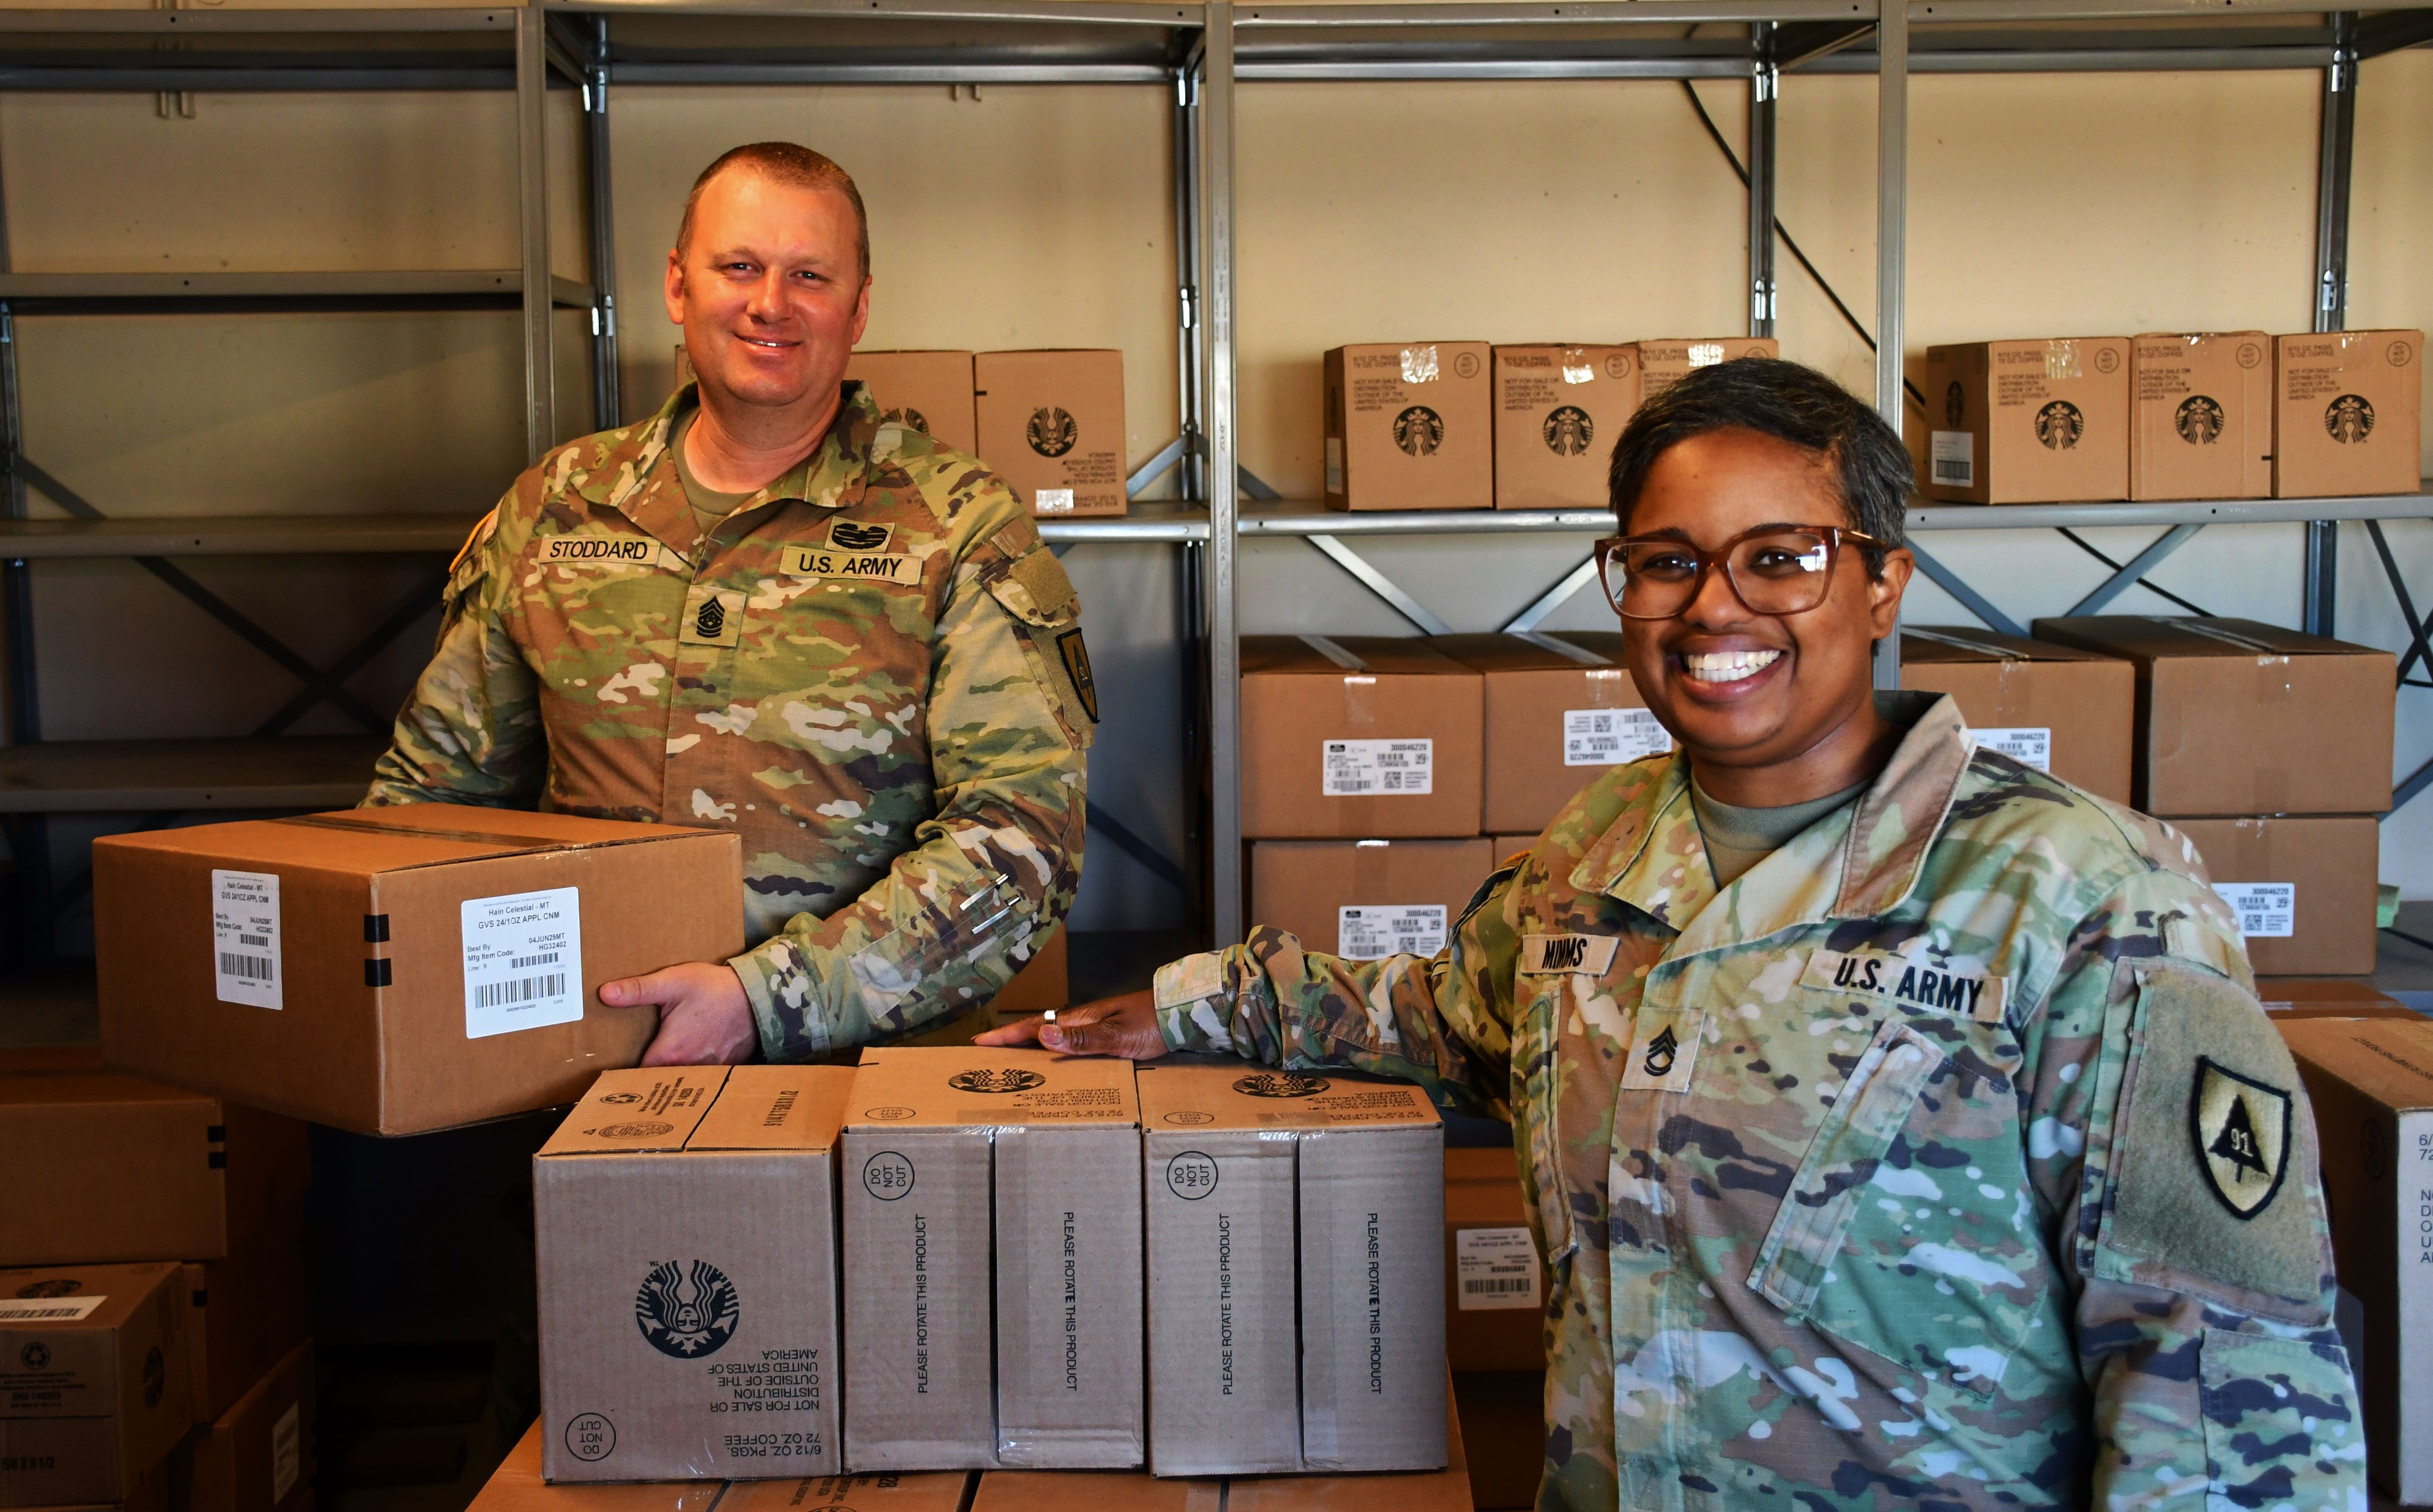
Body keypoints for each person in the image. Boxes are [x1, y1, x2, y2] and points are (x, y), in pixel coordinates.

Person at [983, 359, 2362, 1510]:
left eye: (1782, 560)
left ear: (1882, 582)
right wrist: (1193, 1006)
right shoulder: (1599, 849)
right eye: (1665, 562)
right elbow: (1455, 1016)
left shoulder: (2086, 902)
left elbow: (2231, 1395)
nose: (1714, 609)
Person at [367, 142, 1094, 1066]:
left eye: (809, 275)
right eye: (739, 266)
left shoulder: (958, 524)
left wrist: (767, 1000)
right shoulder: (557, 505)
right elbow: (431, 804)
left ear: (859, 306)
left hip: (855, 1075)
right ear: (677, 285)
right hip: (573, 1059)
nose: (769, 304)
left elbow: (1021, 843)